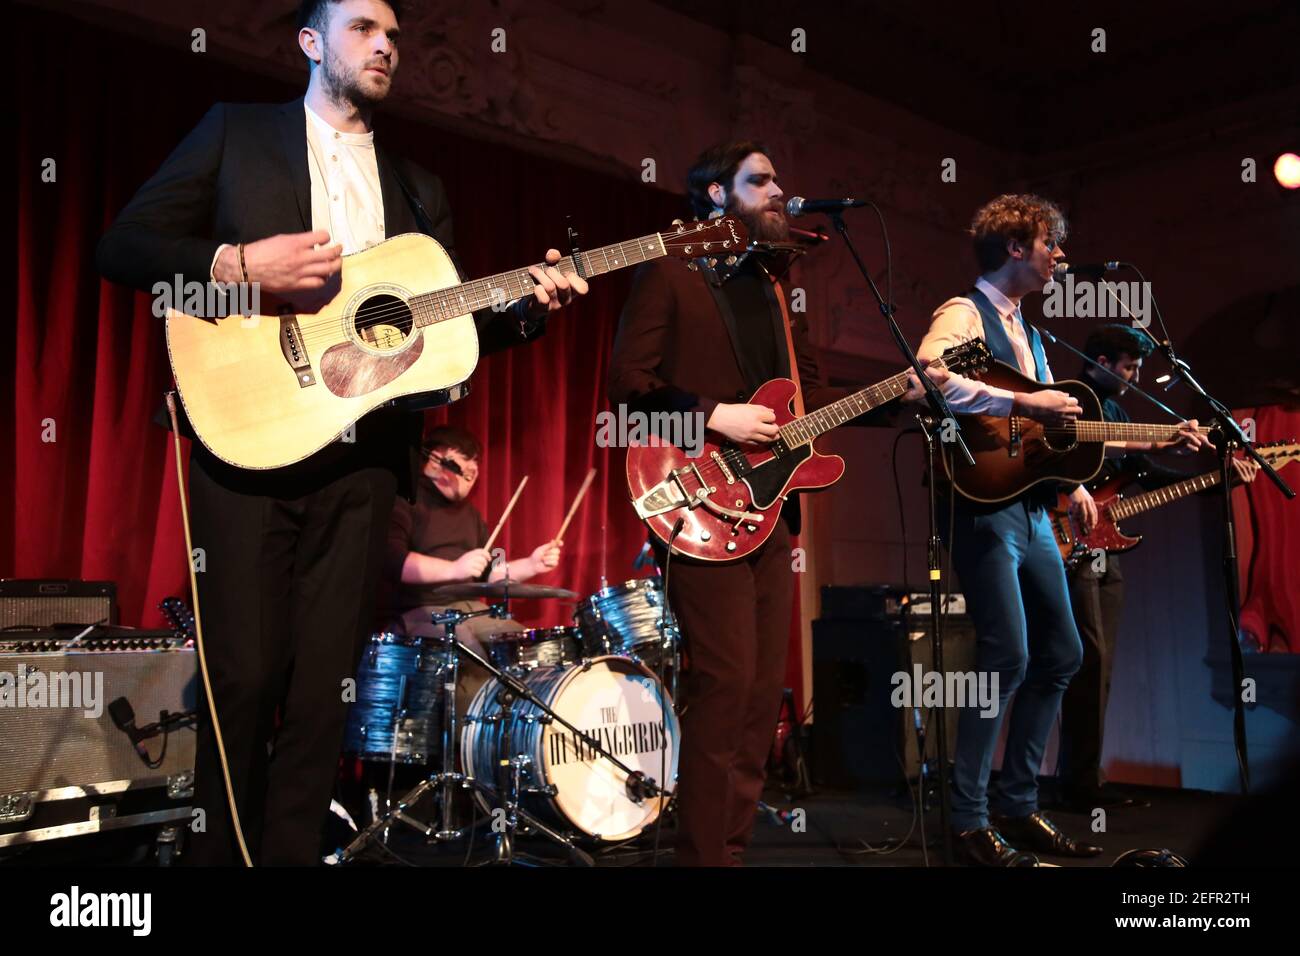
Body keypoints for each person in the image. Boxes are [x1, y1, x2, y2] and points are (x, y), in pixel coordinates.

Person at [96, 0, 586, 865]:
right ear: (311, 42)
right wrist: (241, 264)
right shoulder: (236, 133)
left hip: (367, 464)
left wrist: (526, 310)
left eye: (394, 34)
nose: (386, 45)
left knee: (324, 695)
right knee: (241, 681)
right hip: (245, 445)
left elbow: (440, 339)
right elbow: (126, 245)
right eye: (363, 27)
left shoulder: (419, 189)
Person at [609, 141, 899, 866]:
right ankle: (703, 856)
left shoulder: (776, 285)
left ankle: (727, 852)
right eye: (759, 180)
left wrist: (903, 391)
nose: (778, 190)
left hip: (771, 514)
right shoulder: (673, 272)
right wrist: (714, 414)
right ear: (714, 194)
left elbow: (809, 405)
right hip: (697, 502)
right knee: (725, 681)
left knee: (760, 690)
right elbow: (628, 390)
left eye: (778, 179)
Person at [915, 194, 1204, 865]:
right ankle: (967, 820)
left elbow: (1051, 436)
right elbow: (929, 377)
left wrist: (1078, 481)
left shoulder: (1036, 336)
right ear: (1017, 247)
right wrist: (1024, 399)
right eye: (1053, 244)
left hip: (1031, 509)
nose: (1061, 257)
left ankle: (1019, 807)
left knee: (1065, 654)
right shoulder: (965, 313)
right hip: (981, 508)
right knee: (1007, 655)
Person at [1056, 324, 1257, 812]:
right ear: (1102, 361)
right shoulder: (1069, 400)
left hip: (1106, 548)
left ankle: (1087, 780)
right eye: (1129, 366)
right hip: (1066, 538)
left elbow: (1151, 479)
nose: (1135, 375)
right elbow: (1055, 462)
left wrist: (1218, 478)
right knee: (1084, 660)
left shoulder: (1123, 413)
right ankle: (1073, 785)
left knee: (1102, 666)